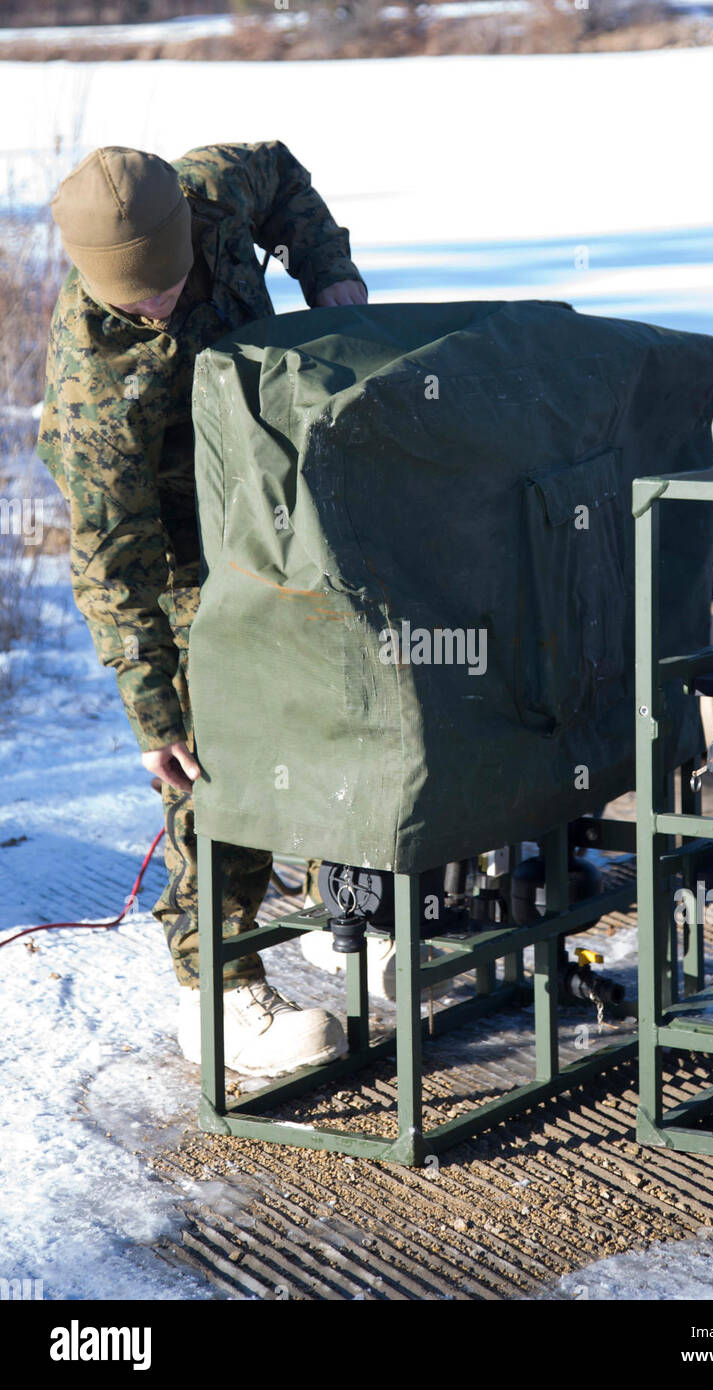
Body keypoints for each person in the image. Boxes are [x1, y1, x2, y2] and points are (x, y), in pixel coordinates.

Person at [37, 141, 368, 1078]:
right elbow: (111, 563)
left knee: (355, 699)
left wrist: (326, 267)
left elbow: (286, 175)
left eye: (171, 281)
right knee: (218, 757)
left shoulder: (215, 189)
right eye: (136, 300)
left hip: (284, 498)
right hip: (185, 555)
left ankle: (354, 914)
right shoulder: (93, 388)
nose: (161, 305)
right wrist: (155, 714)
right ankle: (216, 987)